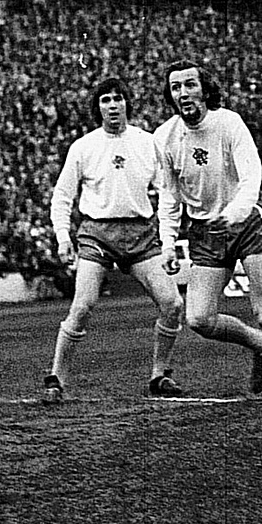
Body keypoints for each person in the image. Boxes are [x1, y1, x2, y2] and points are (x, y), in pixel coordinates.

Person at [154, 60, 262, 403]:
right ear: (170, 96)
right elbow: (169, 193)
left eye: (190, 84)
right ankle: (260, 345)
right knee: (199, 318)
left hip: (245, 225)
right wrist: (168, 242)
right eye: (176, 87)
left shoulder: (228, 123)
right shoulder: (165, 137)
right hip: (206, 233)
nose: (183, 93)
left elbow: (252, 176)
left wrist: (234, 213)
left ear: (204, 88)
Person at [42, 76, 184, 402]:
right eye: (105, 100)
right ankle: (56, 379)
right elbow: (62, 196)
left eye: (118, 98)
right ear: (98, 108)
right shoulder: (83, 146)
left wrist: (167, 239)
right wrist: (63, 237)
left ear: (126, 104)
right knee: (82, 306)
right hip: (97, 234)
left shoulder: (148, 142)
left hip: (140, 233)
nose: (113, 105)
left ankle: (159, 375)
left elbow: (168, 193)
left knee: (173, 304)